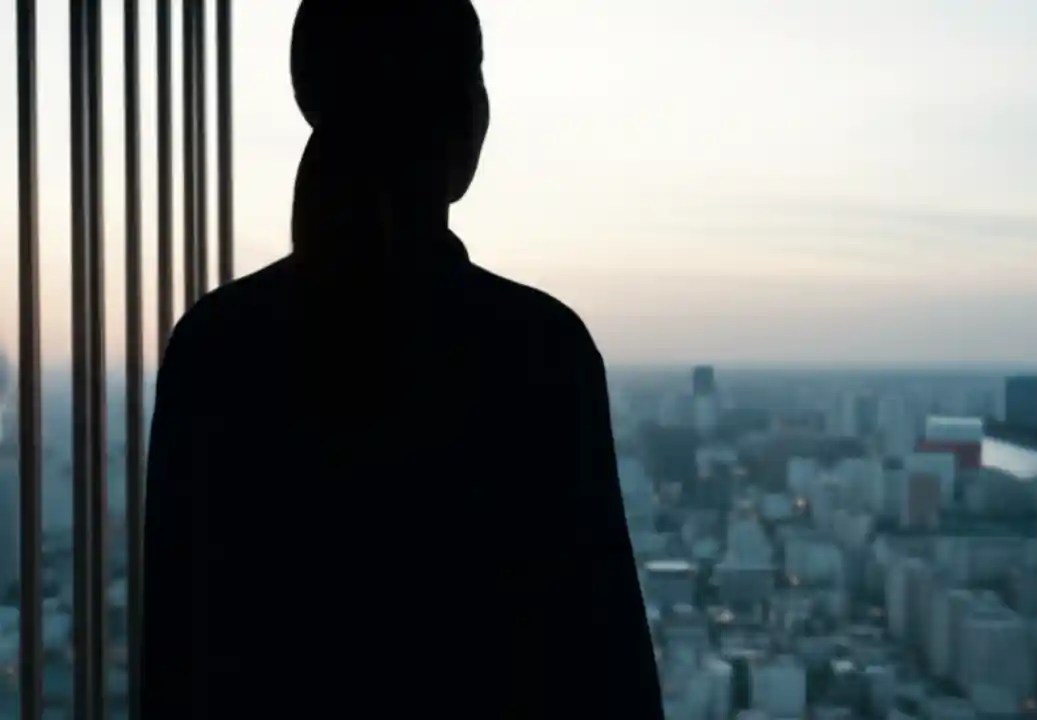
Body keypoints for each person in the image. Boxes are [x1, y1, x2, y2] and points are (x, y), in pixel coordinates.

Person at [141, 3, 664, 717]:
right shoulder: (537, 351)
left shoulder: (216, 346)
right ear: (464, 122)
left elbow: (176, 663)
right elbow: (606, 672)